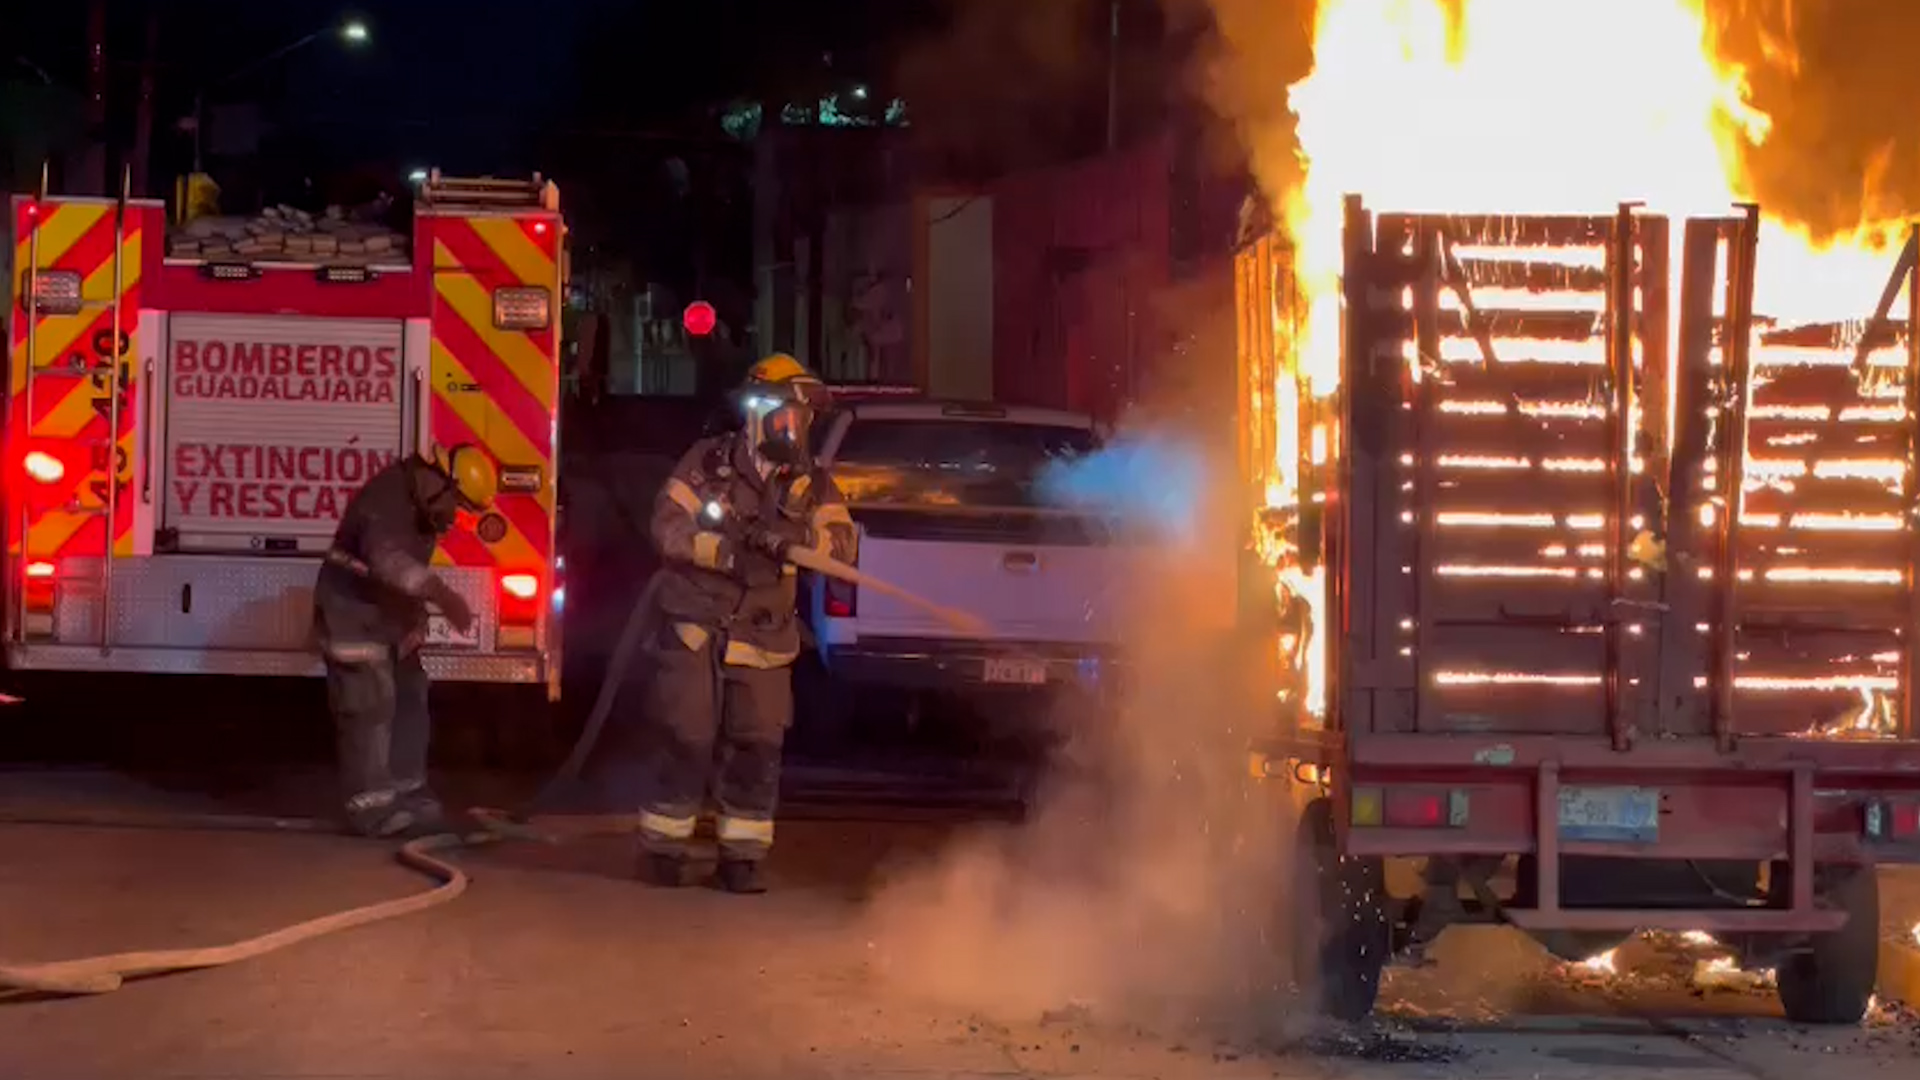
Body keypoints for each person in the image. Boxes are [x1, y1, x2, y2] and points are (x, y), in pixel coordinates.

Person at [638, 354, 855, 893]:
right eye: (788, 413)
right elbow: (667, 526)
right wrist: (726, 554)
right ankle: (664, 847)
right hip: (695, 623)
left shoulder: (813, 486)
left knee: (757, 743)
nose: (796, 426)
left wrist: (800, 543)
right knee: (686, 734)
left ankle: (741, 857)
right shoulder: (706, 464)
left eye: (803, 417)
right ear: (758, 413)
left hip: (762, 634)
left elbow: (842, 545)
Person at [312, 444, 497, 838]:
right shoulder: (386, 500)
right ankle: (372, 807)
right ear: (441, 485)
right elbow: (387, 560)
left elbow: (401, 574)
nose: (455, 516)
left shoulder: (419, 502)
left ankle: (408, 792)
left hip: (388, 618)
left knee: (412, 694)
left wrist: (416, 619)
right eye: (457, 504)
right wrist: (442, 595)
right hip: (352, 617)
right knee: (371, 705)